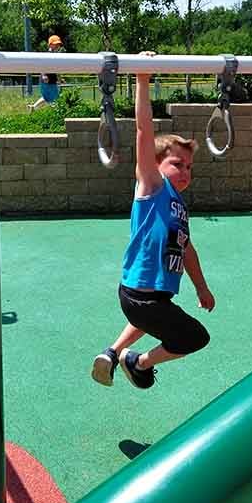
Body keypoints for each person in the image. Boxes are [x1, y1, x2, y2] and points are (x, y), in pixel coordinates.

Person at [91, 53, 215, 390]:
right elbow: (145, 130)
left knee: (157, 314)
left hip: (149, 298)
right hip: (140, 295)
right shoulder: (152, 186)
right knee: (194, 337)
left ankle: (113, 352)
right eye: (178, 163)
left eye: (190, 166)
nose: (186, 171)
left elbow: (187, 250)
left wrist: (201, 287)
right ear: (156, 164)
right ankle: (137, 360)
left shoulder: (177, 206)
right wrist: (143, 80)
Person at [29, 35, 62, 111]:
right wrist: (43, 75)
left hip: (52, 78)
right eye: (56, 44)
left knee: (47, 97)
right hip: (47, 78)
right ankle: (56, 111)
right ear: (50, 44)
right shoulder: (47, 54)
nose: (58, 46)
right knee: (54, 97)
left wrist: (59, 78)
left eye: (58, 45)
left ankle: (34, 107)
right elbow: (42, 65)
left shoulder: (55, 55)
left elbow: (57, 68)